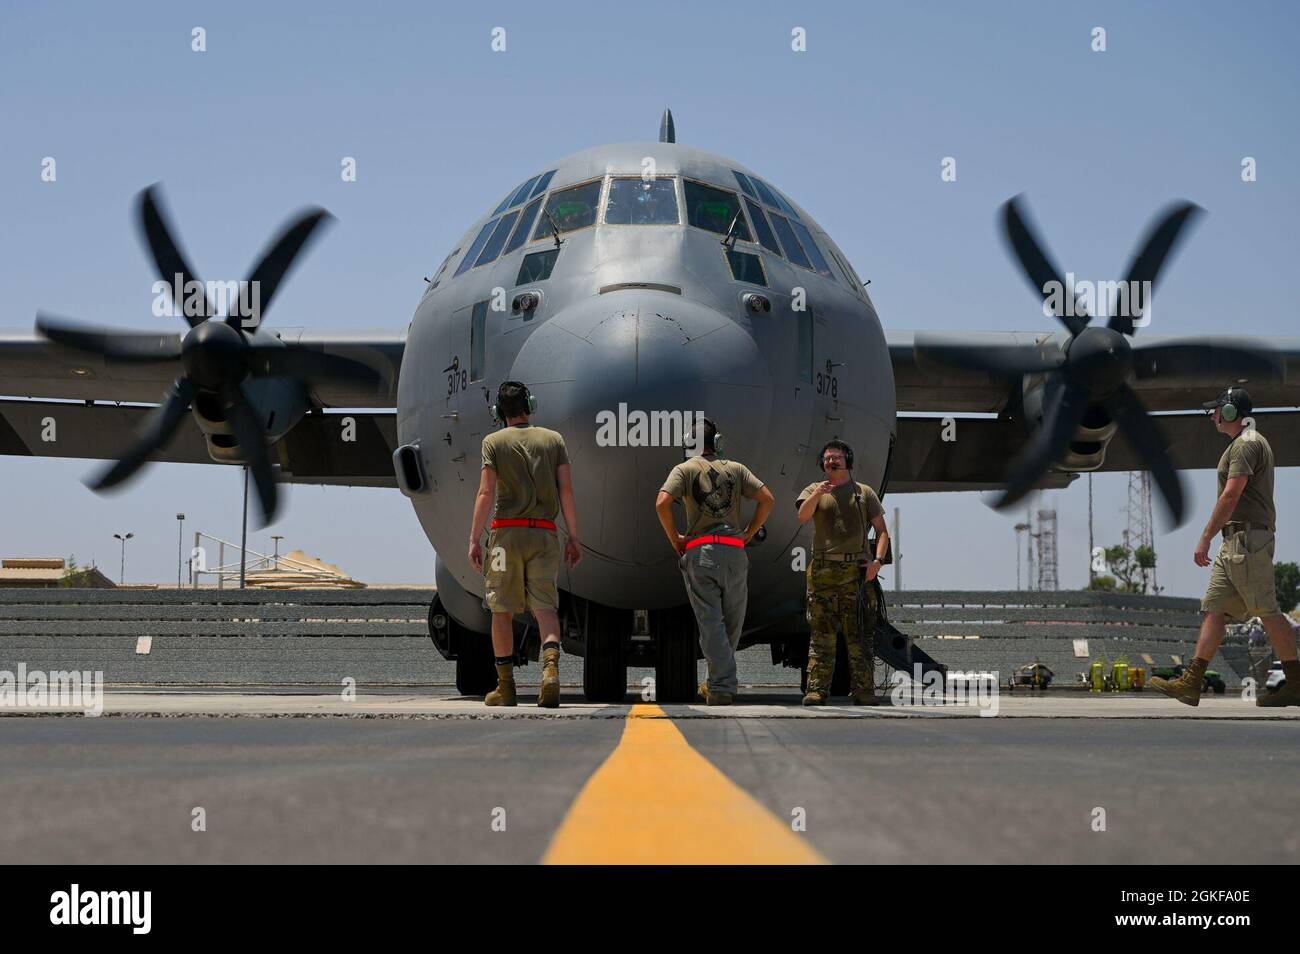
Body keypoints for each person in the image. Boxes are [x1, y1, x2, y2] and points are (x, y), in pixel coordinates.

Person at [1151, 387, 1300, 706]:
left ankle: (1296, 683)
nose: (1213, 416)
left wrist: (1204, 535)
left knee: (1267, 612)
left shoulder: (1246, 445)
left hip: (1246, 541)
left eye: (1218, 410)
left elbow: (1231, 495)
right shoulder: (1243, 444)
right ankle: (1191, 683)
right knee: (1213, 609)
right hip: (1234, 542)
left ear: (1233, 413)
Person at [468, 381, 582, 708]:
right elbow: (567, 492)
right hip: (544, 534)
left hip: (505, 535)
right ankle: (550, 673)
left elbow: (486, 493)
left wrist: (474, 537)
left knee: (501, 609)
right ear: (529, 404)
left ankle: (505, 688)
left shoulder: (493, 442)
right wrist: (573, 537)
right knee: (545, 607)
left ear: (498, 412)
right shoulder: (553, 440)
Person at [655, 417, 774, 705]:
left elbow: (661, 503)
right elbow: (767, 499)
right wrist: (748, 533)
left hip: (702, 551)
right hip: (734, 551)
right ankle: (717, 681)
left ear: (688, 443)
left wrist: (675, 539)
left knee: (711, 623)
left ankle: (721, 686)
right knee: (732, 623)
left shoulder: (684, 469)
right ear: (717, 443)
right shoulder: (736, 469)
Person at [796, 440, 890, 706]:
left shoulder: (864, 493)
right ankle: (816, 690)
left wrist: (877, 562)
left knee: (859, 635)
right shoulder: (814, 490)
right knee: (821, 634)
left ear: (848, 460)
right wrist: (818, 494)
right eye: (826, 458)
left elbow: (882, 531)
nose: (831, 462)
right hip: (823, 570)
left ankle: (864, 691)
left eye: (836, 457)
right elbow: (803, 516)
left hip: (856, 572)